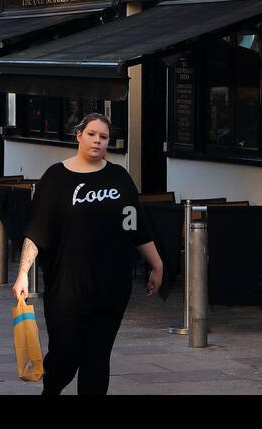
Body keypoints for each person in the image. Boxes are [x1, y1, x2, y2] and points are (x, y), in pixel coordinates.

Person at [13, 112, 164, 396]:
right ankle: (51, 389)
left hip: (111, 284)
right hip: (65, 286)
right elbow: (36, 230)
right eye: (92, 134)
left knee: (97, 358)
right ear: (79, 135)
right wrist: (23, 273)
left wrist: (156, 264)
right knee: (65, 354)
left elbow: (137, 227)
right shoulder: (55, 178)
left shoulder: (119, 177)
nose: (97, 141)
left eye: (104, 137)